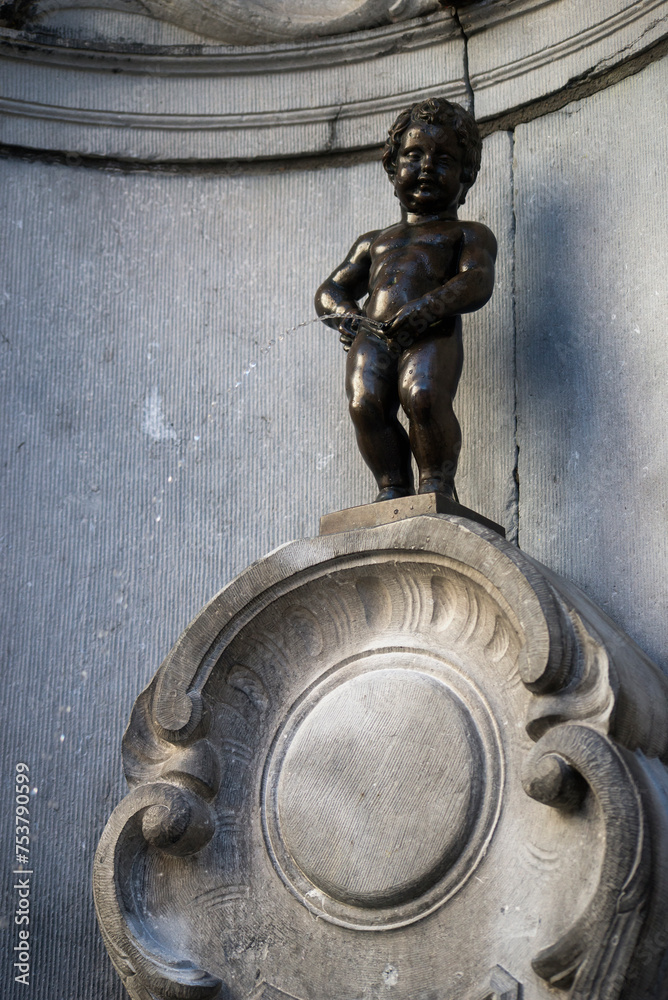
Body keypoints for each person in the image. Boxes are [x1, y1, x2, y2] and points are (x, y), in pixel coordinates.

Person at [315, 97, 496, 503]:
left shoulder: (467, 233)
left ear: (466, 176)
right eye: (413, 155)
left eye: (444, 159)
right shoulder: (374, 242)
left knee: (424, 397)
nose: (427, 167)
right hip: (373, 332)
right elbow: (329, 291)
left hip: (432, 329)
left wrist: (429, 308)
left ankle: (436, 485)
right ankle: (391, 489)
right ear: (392, 166)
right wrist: (345, 315)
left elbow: (477, 280)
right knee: (365, 405)